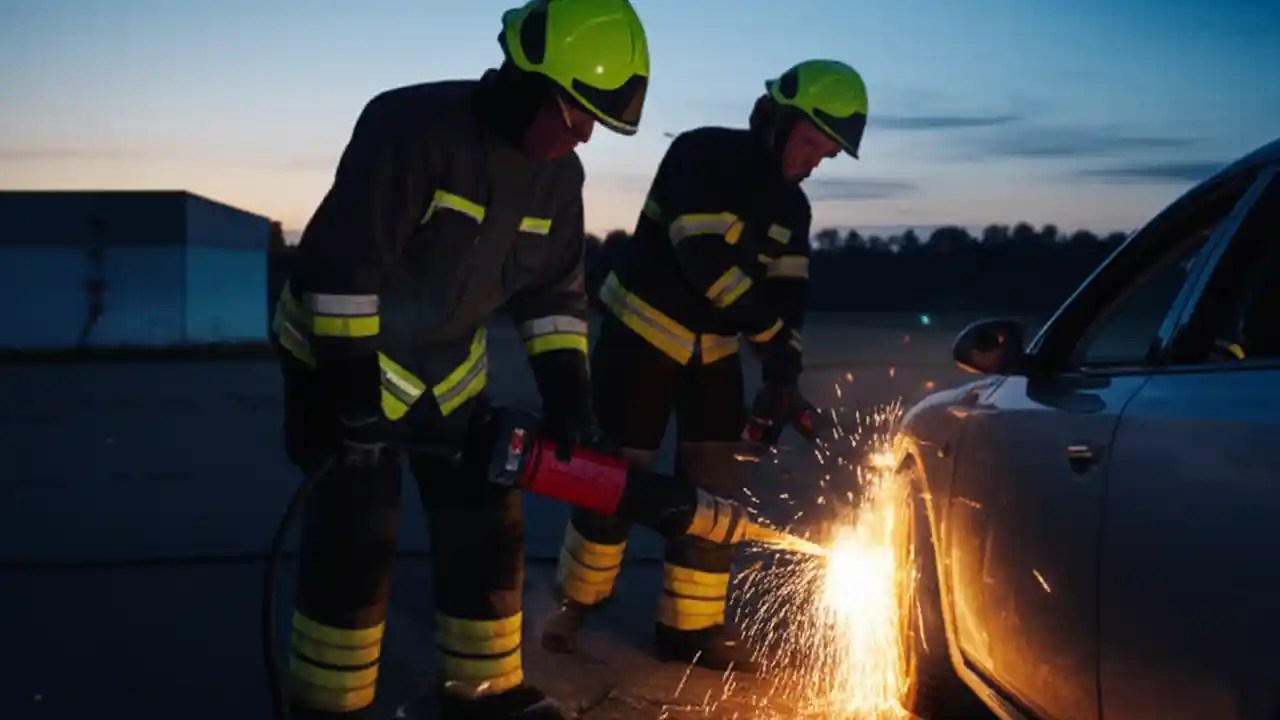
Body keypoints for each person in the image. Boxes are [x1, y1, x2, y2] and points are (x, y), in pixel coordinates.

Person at [269, 1, 649, 717]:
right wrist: (346, 400)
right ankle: (329, 705)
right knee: (358, 532)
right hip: (337, 357)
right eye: (574, 117)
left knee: (485, 520)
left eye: (596, 126)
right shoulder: (410, 130)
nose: (583, 138)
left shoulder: (559, 179)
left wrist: (570, 394)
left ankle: (482, 694)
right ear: (525, 80)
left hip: (446, 375)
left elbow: (554, 298)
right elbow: (342, 273)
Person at [541, 59, 868, 672]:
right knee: (615, 478)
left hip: (712, 353)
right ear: (776, 120)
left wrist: (782, 377)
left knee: (714, 492)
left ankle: (689, 628)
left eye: (825, 154)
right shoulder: (703, 155)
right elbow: (702, 256)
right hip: (641, 335)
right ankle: (575, 604)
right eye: (809, 143)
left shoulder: (792, 211)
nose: (812, 162)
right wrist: (770, 338)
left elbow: (788, 296)